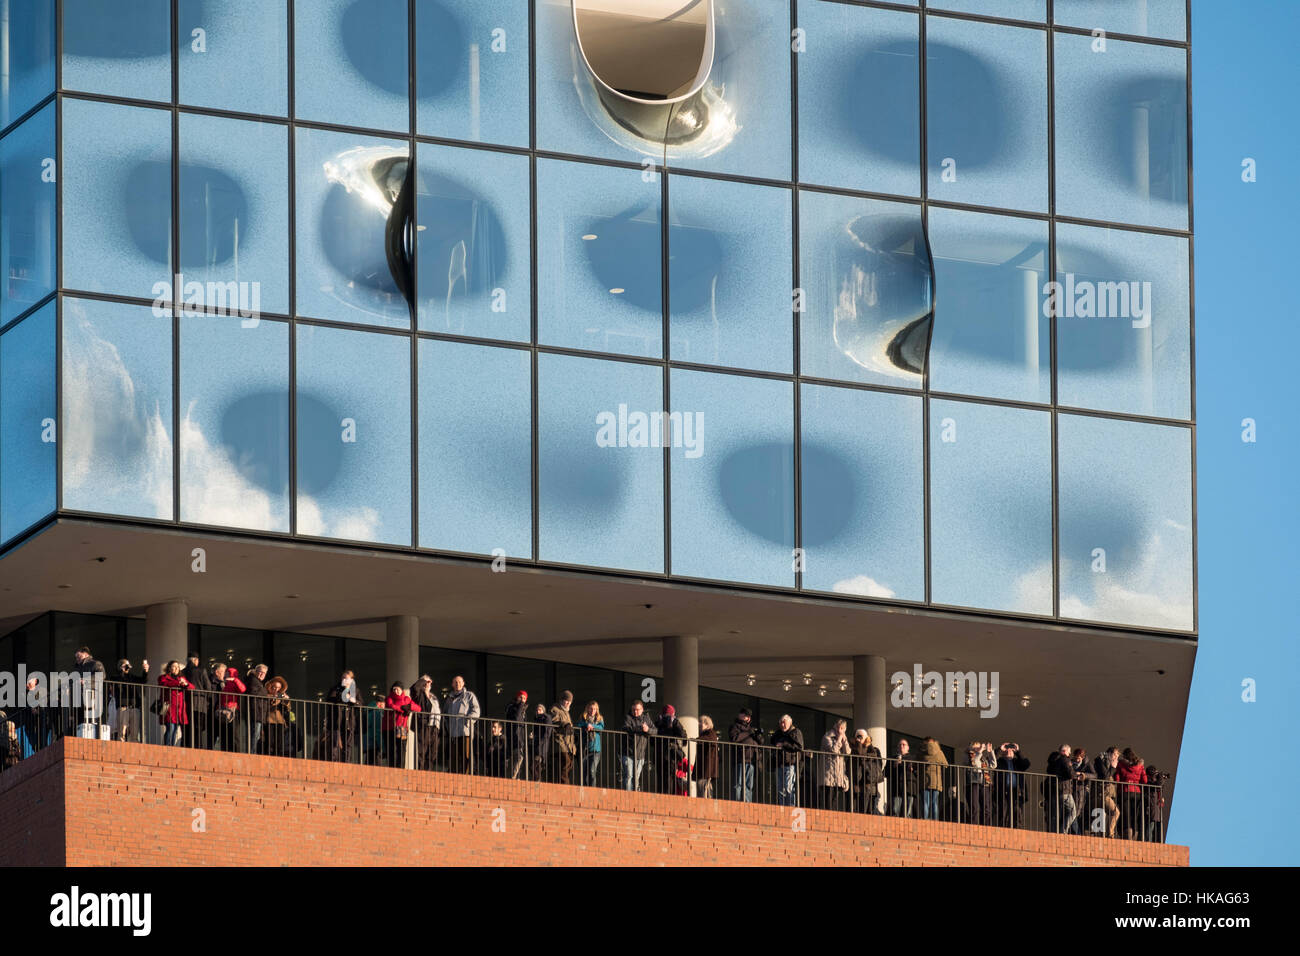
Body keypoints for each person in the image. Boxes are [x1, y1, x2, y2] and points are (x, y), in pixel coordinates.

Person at [442, 676, 480, 774]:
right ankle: (455, 777)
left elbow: (476, 710)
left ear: (463, 683)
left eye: (459, 682)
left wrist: (468, 720)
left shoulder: (469, 695)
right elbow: (445, 713)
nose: (457, 684)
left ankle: (465, 777)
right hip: (453, 733)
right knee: (454, 757)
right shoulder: (449, 698)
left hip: (464, 732)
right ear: (452, 684)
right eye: (455, 682)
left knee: (465, 756)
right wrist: (447, 726)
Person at [319, 670, 359, 762]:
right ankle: (334, 763)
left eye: (347, 678)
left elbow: (360, 703)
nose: (344, 679)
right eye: (343, 678)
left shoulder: (355, 690)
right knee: (335, 744)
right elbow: (329, 699)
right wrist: (343, 695)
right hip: (336, 721)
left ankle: (346, 764)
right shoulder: (336, 688)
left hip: (348, 722)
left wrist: (354, 701)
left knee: (347, 746)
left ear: (351, 680)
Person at [380, 682, 420, 769]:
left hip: (402, 728)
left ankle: (401, 769)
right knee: (391, 750)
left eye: (397, 689)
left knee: (402, 749)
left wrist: (409, 707)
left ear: (402, 690)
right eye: (394, 689)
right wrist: (403, 709)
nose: (395, 691)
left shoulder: (407, 699)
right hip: (389, 728)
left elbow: (418, 708)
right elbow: (392, 706)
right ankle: (392, 768)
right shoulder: (389, 698)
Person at [70, 646, 107, 736]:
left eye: (79, 656)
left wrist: (86, 681)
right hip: (79, 699)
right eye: (76, 657)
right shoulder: (77, 669)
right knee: (80, 723)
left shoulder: (95, 664)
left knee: (91, 720)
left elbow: (101, 676)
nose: (77, 658)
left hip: (91, 695)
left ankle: (93, 739)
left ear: (86, 654)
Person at [112, 659, 149, 744]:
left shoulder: (132, 677)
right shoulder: (115, 677)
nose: (127, 667)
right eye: (125, 665)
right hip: (123, 706)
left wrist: (145, 671)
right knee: (121, 731)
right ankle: (120, 748)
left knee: (134, 733)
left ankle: (134, 750)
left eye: (128, 665)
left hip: (134, 706)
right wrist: (122, 671)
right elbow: (119, 681)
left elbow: (143, 680)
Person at [622, 700, 657, 791]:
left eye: (637, 710)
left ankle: (634, 796)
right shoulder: (628, 717)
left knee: (636, 777)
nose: (635, 712)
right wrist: (641, 728)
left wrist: (647, 729)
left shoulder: (646, 718)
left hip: (640, 753)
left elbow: (655, 731)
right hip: (628, 752)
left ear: (642, 709)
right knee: (629, 776)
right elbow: (627, 728)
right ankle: (628, 796)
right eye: (634, 710)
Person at [728, 708, 762, 802]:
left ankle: (747, 804)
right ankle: (737, 803)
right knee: (738, 784)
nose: (746, 717)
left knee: (749, 785)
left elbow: (760, 742)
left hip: (751, 760)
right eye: (744, 715)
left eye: (748, 716)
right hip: (740, 759)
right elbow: (734, 738)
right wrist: (748, 733)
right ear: (740, 715)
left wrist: (757, 736)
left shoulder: (751, 729)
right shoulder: (735, 726)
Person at [994, 742, 1031, 828]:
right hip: (1003, 790)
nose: (1008, 751)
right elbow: (991, 762)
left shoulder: (1017, 762)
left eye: (1011, 750)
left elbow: (1027, 764)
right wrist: (999, 749)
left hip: (1017, 790)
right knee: (1003, 812)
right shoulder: (999, 762)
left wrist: (1018, 752)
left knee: (1017, 812)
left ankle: (1017, 831)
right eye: (1006, 750)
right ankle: (1003, 830)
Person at [818, 719, 852, 812]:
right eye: (839, 727)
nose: (841, 730)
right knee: (828, 797)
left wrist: (844, 739)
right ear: (835, 726)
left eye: (843, 728)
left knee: (835, 798)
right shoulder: (827, 736)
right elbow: (834, 750)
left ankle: (833, 817)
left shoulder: (843, 737)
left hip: (838, 774)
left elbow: (848, 751)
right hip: (828, 772)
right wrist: (840, 738)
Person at [410, 675, 442, 772]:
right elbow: (414, 688)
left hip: (435, 727)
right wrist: (423, 680)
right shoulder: (419, 695)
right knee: (422, 750)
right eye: (425, 683)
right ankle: (420, 772)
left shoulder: (434, 697)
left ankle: (428, 773)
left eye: (428, 683)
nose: (427, 684)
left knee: (433, 752)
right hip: (424, 726)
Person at [1115, 748, 1148, 840]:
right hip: (1137, 793)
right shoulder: (1140, 765)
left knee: (1126, 815)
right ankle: (1135, 836)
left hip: (1125, 791)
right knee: (1135, 815)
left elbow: (1117, 778)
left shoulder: (1121, 764)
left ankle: (1127, 836)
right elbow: (1144, 780)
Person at [771, 714, 804, 807]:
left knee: (788, 787)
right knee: (780, 788)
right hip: (779, 763)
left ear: (790, 723)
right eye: (780, 723)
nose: (782, 725)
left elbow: (799, 747)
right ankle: (783, 807)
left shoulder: (795, 732)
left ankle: (790, 807)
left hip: (790, 764)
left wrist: (784, 744)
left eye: (784, 722)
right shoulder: (778, 733)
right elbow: (772, 741)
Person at [182, 652, 213, 749]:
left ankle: (186, 747)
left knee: (186, 728)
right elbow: (208, 688)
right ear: (195, 660)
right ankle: (198, 747)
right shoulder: (201, 670)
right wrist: (208, 701)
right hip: (200, 704)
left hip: (185, 703)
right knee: (198, 728)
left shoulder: (182, 672)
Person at [157, 661, 192, 747]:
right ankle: (167, 747)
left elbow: (192, 687)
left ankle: (172, 747)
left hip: (179, 708)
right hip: (168, 706)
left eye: (177, 667)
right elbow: (165, 683)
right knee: (170, 728)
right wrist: (179, 683)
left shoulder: (181, 678)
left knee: (175, 729)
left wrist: (186, 684)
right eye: (174, 666)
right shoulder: (163, 677)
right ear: (169, 668)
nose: (176, 668)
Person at [655, 705, 688, 795]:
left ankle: (664, 798)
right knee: (668, 779)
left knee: (665, 779)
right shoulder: (669, 722)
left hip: (664, 755)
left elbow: (652, 740)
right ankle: (667, 799)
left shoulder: (659, 722)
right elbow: (683, 735)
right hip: (668, 755)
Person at [852, 731, 884, 814]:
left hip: (870, 781)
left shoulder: (874, 749)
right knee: (857, 807)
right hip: (858, 781)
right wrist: (859, 744)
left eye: (862, 736)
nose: (860, 738)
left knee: (869, 808)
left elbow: (879, 764)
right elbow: (859, 754)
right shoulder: (854, 748)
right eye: (858, 736)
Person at [548, 691, 577, 785]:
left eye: (570, 702)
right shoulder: (555, 709)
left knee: (570, 765)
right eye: (566, 701)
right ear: (561, 700)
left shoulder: (566, 712)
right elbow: (554, 722)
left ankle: (563, 783)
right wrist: (565, 724)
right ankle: (565, 785)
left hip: (569, 744)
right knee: (565, 762)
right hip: (559, 742)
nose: (568, 703)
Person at [964, 742, 995, 827]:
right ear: (972, 749)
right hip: (973, 783)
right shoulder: (968, 756)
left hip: (984, 783)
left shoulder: (983, 758)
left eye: (979, 747)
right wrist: (980, 751)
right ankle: (974, 826)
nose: (979, 749)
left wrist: (990, 752)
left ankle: (986, 827)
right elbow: (975, 764)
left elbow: (993, 765)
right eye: (976, 748)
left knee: (987, 808)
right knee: (975, 807)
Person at [215, 664, 245, 752]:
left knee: (234, 734)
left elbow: (242, 689)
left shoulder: (235, 682)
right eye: (226, 673)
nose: (226, 675)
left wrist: (235, 680)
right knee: (224, 734)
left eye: (228, 673)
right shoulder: (222, 683)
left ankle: (236, 752)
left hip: (233, 710)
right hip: (222, 710)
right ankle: (225, 751)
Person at [1045, 744, 1074, 833]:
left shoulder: (1053, 761)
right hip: (1064, 790)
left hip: (1054, 790)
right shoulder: (1064, 759)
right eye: (1069, 752)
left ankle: (1054, 832)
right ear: (1065, 751)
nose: (1069, 754)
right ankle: (1063, 831)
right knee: (1073, 812)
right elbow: (1070, 774)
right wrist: (1075, 773)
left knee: (1056, 814)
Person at [1092, 747, 1120, 838]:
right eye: (1115, 754)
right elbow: (1106, 776)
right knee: (1116, 812)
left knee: (1105, 815)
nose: (1116, 757)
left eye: (1117, 755)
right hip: (1101, 793)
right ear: (1109, 753)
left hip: (1106, 794)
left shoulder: (1106, 762)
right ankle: (1110, 834)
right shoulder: (1100, 761)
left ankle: (1106, 834)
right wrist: (1113, 767)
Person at [887, 739, 918, 818]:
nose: (901, 746)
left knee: (908, 811)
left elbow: (917, 772)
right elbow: (886, 772)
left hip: (909, 787)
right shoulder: (893, 758)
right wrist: (894, 765)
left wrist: (912, 769)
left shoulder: (913, 758)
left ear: (908, 748)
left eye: (903, 744)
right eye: (900, 745)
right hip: (897, 787)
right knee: (895, 810)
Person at [577, 700, 604, 787]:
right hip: (585, 748)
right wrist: (586, 725)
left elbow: (601, 727)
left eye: (595, 709)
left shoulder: (599, 719)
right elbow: (578, 725)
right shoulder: (583, 717)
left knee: (592, 771)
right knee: (583, 772)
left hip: (595, 750)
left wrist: (592, 726)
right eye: (591, 709)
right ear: (587, 709)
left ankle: (592, 790)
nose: (593, 711)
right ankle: (583, 790)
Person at [920, 737, 949, 820]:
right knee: (934, 803)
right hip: (936, 782)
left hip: (924, 780)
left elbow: (915, 765)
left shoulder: (921, 751)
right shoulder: (939, 752)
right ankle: (935, 821)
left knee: (925, 803)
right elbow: (946, 764)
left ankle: (925, 821)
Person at [504, 690, 531, 780]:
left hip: (520, 737)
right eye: (521, 697)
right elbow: (516, 718)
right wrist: (521, 705)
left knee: (518, 757)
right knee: (518, 757)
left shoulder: (523, 710)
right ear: (517, 697)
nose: (523, 700)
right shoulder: (512, 706)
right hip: (513, 736)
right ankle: (512, 777)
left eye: (524, 698)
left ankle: (516, 777)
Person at [263, 676, 292, 757]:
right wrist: (276, 698)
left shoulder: (281, 695)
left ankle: (277, 758)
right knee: (269, 742)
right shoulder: (266, 695)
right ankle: (268, 757)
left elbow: (288, 708)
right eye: (274, 687)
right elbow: (270, 704)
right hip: (269, 720)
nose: (276, 689)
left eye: (278, 688)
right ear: (270, 686)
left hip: (280, 721)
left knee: (279, 743)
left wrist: (286, 700)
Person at [245, 664, 270, 754]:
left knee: (256, 735)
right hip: (255, 712)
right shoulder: (253, 680)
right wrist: (267, 694)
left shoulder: (257, 681)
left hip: (258, 712)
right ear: (256, 671)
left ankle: (252, 752)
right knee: (254, 735)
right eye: (260, 672)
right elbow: (253, 692)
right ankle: (252, 753)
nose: (261, 674)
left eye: (264, 673)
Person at [694, 715, 719, 798]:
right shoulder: (705, 734)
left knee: (703, 786)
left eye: (701, 724)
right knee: (704, 786)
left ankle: (706, 803)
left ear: (707, 725)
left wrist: (698, 739)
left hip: (707, 767)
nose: (699, 726)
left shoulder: (710, 733)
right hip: (704, 767)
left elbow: (711, 740)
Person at [530, 701, 553, 781]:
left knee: (533, 767)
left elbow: (547, 732)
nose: (538, 711)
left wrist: (541, 742)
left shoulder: (546, 717)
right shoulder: (536, 720)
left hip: (541, 747)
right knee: (537, 768)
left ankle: (537, 782)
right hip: (536, 746)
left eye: (540, 710)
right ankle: (537, 784)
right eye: (537, 710)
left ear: (543, 711)